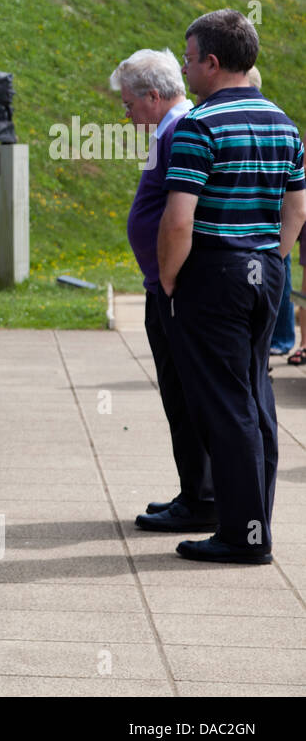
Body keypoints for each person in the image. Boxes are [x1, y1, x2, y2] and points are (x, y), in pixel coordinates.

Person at [157, 9, 306, 564]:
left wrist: (171, 277)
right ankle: (255, 524)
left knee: (225, 405)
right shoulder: (283, 121)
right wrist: (271, 257)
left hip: (214, 272)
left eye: (189, 58)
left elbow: (178, 220)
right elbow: (296, 208)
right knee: (255, 397)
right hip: (265, 270)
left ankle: (242, 536)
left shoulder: (201, 124)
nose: (187, 68)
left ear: (212, 62)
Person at [113, 50, 215, 532]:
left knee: (186, 395)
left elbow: (181, 217)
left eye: (129, 103)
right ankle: (194, 491)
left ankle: (202, 500)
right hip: (167, 285)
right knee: (181, 395)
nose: (126, 114)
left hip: (175, 288)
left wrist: (168, 280)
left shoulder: (178, 131)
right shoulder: (170, 131)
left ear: (154, 97)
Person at [254, 66, 299, 358]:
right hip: (276, 219)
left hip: (267, 218)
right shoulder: (280, 123)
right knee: (280, 276)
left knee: (280, 279)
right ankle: (279, 337)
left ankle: (279, 337)